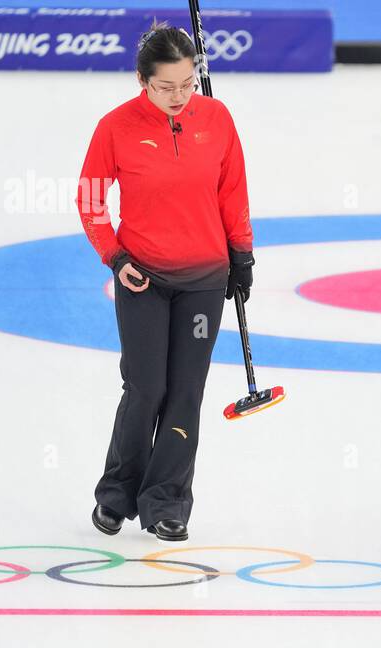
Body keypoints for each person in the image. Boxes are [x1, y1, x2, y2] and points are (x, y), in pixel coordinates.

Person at [74, 21, 255, 542]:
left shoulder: (217, 118)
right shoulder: (116, 127)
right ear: (141, 80)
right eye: (165, 86)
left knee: (184, 393)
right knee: (145, 387)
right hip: (143, 278)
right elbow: (90, 200)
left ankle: (167, 503)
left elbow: (232, 191)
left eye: (187, 84)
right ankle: (118, 493)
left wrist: (241, 256)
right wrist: (114, 256)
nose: (178, 96)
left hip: (204, 279)